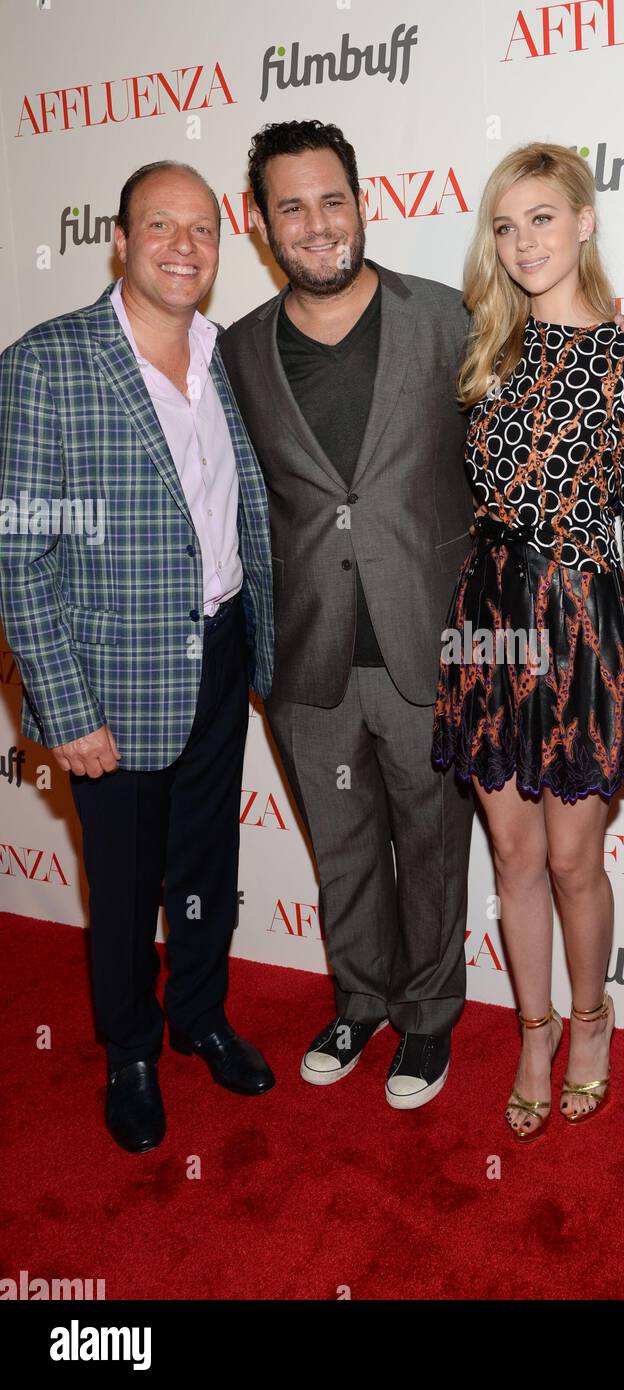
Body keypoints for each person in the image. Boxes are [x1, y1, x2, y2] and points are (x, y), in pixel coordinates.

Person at [0, 162, 277, 1154]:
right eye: (159, 225)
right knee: (121, 878)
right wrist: (63, 707)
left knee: (207, 856)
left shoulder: (228, 357)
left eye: (200, 229)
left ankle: (198, 1013)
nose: (182, 245)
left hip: (222, 642)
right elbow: (19, 551)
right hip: (111, 672)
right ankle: (130, 1048)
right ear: (118, 240)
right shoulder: (47, 362)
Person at [219, 121, 477, 1109]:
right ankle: (359, 999)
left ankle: (426, 1019)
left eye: (333, 199)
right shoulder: (237, 352)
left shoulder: (446, 319)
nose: (318, 223)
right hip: (305, 651)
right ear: (261, 224)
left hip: (429, 642)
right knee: (343, 848)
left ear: (362, 200)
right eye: (293, 206)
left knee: (433, 847)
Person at [432, 144, 624, 1143]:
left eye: (540, 217)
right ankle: (533, 1035)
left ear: (583, 221)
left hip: (583, 627)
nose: (522, 240)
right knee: (512, 855)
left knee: (575, 861)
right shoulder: (483, 349)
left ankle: (592, 1019)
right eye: (503, 223)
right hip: (487, 622)